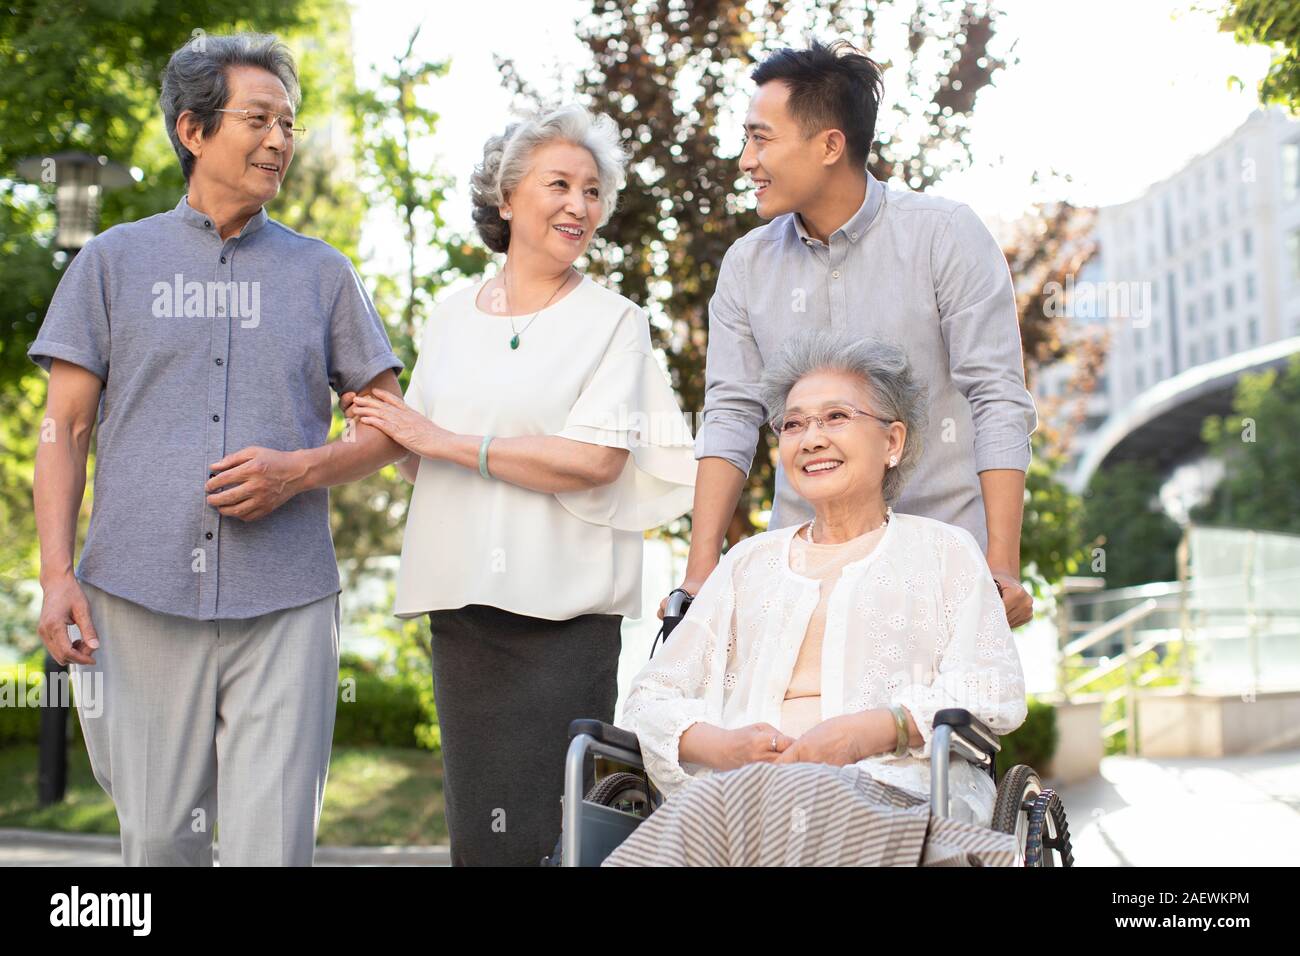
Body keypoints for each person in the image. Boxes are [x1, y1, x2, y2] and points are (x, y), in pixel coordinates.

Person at [30, 33, 409, 866]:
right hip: (135, 593)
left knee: (270, 849)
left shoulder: (323, 274)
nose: (279, 140)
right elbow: (63, 432)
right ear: (192, 129)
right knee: (160, 842)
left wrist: (301, 470)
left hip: (287, 603)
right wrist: (56, 573)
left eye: (289, 123)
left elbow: (389, 426)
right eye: (259, 119)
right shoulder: (110, 263)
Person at [342, 104, 696, 866]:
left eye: (593, 191)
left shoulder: (615, 322)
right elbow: (425, 457)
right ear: (506, 198)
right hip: (464, 615)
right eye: (559, 184)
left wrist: (443, 440)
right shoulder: (448, 316)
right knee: (480, 836)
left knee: (552, 836)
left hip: (565, 623)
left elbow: (593, 460)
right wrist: (387, 431)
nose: (580, 205)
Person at [607, 331, 1027, 866]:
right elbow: (649, 699)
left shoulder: (942, 552)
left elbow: (993, 687)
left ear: (892, 443)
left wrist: (869, 731)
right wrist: (720, 746)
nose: (811, 438)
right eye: (794, 423)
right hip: (732, 802)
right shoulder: (746, 563)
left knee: (800, 800)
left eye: (836, 417)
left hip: (889, 792)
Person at [669, 39, 1038, 630]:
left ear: (829, 145)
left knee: (924, 726)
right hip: (801, 577)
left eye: (761, 138)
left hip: (942, 569)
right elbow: (732, 413)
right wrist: (700, 568)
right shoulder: (746, 264)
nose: (745, 160)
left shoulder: (945, 235)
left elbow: (997, 398)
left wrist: (1001, 569)